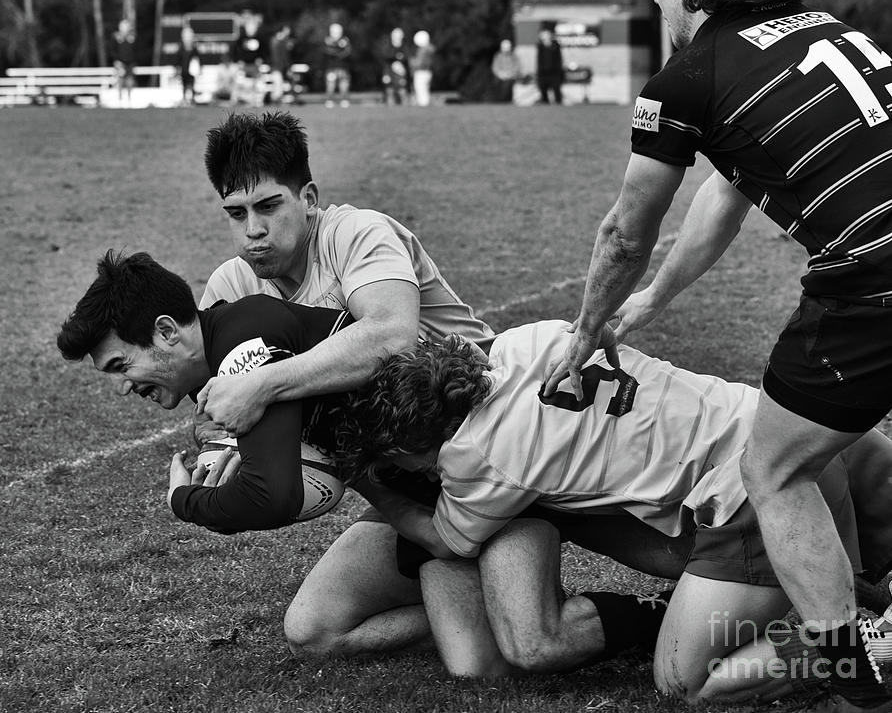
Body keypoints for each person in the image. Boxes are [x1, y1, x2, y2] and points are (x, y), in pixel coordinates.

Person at [542, 0, 892, 710]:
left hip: (875, 279)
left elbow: (624, 235)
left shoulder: (688, 79)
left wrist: (588, 324)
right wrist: (650, 304)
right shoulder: (817, 32)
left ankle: (854, 665)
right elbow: (726, 192)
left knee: (774, 471)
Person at [334, 321, 892, 703]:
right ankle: (852, 600)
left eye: (402, 458)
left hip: (750, 489)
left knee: (687, 682)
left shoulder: (479, 461)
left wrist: (374, 487)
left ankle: (875, 645)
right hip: (779, 428)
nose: (414, 472)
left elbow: (445, 542)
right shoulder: (529, 341)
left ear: (423, 440)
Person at [194, 110, 495, 657]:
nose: (253, 230)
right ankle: (468, 604)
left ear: (307, 197)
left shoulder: (355, 233)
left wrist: (264, 386)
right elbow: (216, 408)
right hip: (403, 478)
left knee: (485, 663)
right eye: (235, 213)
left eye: (268, 206)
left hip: (490, 445)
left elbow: (391, 336)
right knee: (313, 632)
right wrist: (223, 447)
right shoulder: (230, 287)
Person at [56, 250, 356, 533]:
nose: (121, 388)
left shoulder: (245, 345)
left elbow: (270, 499)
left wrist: (183, 500)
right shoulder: (207, 369)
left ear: (167, 332)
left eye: (121, 365)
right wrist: (224, 503)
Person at [233, 11, 265, 105]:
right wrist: (239, 60)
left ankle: (257, 101)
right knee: (239, 82)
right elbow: (236, 50)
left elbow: (263, 51)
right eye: (249, 27)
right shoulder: (242, 38)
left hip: (255, 65)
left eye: (253, 27)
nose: (251, 29)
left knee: (258, 83)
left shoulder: (259, 38)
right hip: (244, 65)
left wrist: (260, 59)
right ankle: (236, 100)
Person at [322, 23, 352, 108]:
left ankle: (344, 100)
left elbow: (347, 52)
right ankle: (329, 100)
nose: (336, 33)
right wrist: (338, 49)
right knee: (330, 84)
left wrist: (336, 50)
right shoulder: (327, 40)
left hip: (343, 66)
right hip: (331, 67)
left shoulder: (345, 40)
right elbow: (327, 51)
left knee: (344, 83)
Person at [381, 27, 411, 106]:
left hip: (401, 73)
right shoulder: (388, 46)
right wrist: (396, 57)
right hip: (389, 72)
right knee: (389, 90)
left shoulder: (404, 47)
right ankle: (390, 109)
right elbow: (386, 56)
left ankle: (406, 109)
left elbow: (406, 58)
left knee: (402, 91)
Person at [112, 19, 136, 108]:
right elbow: (113, 50)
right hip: (119, 63)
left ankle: (129, 100)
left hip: (130, 63)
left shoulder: (132, 38)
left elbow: (136, 51)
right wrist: (117, 61)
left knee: (130, 81)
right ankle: (120, 100)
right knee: (120, 81)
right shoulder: (116, 37)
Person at [535, 28, 563, 105]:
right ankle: (545, 103)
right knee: (543, 89)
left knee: (556, 89)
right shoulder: (540, 46)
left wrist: (559, 71)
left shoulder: (555, 46)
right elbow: (539, 61)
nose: (544, 37)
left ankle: (558, 103)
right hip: (543, 73)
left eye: (546, 35)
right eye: (543, 35)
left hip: (554, 72)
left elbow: (559, 60)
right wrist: (539, 72)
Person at [268, 25, 294, 105]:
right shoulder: (276, 41)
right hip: (276, 66)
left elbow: (285, 57)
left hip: (282, 67)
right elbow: (276, 56)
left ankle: (276, 99)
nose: (288, 33)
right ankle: (274, 100)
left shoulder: (283, 42)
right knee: (278, 84)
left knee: (280, 84)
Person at [176, 26, 201, 106]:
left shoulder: (194, 48)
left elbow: (197, 59)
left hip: (191, 71)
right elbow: (178, 60)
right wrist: (177, 69)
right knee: (184, 86)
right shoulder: (181, 48)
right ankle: (184, 99)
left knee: (192, 85)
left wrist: (198, 69)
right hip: (184, 70)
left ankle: (192, 100)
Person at [491, 39, 521, 103]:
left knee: (507, 85)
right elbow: (495, 67)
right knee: (496, 83)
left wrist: (510, 74)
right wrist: (500, 74)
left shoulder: (514, 56)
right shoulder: (498, 56)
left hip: (511, 76)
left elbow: (517, 67)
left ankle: (505, 101)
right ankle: (497, 100)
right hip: (500, 76)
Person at [410, 30, 435, 107]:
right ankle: (425, 104)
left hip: (421, 72)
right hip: (428, 72)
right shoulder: (430, 49)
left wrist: (412, 62)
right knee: (424, 89)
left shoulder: (423, 50)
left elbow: (419, 63)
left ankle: (423, 105)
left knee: (421, 89)